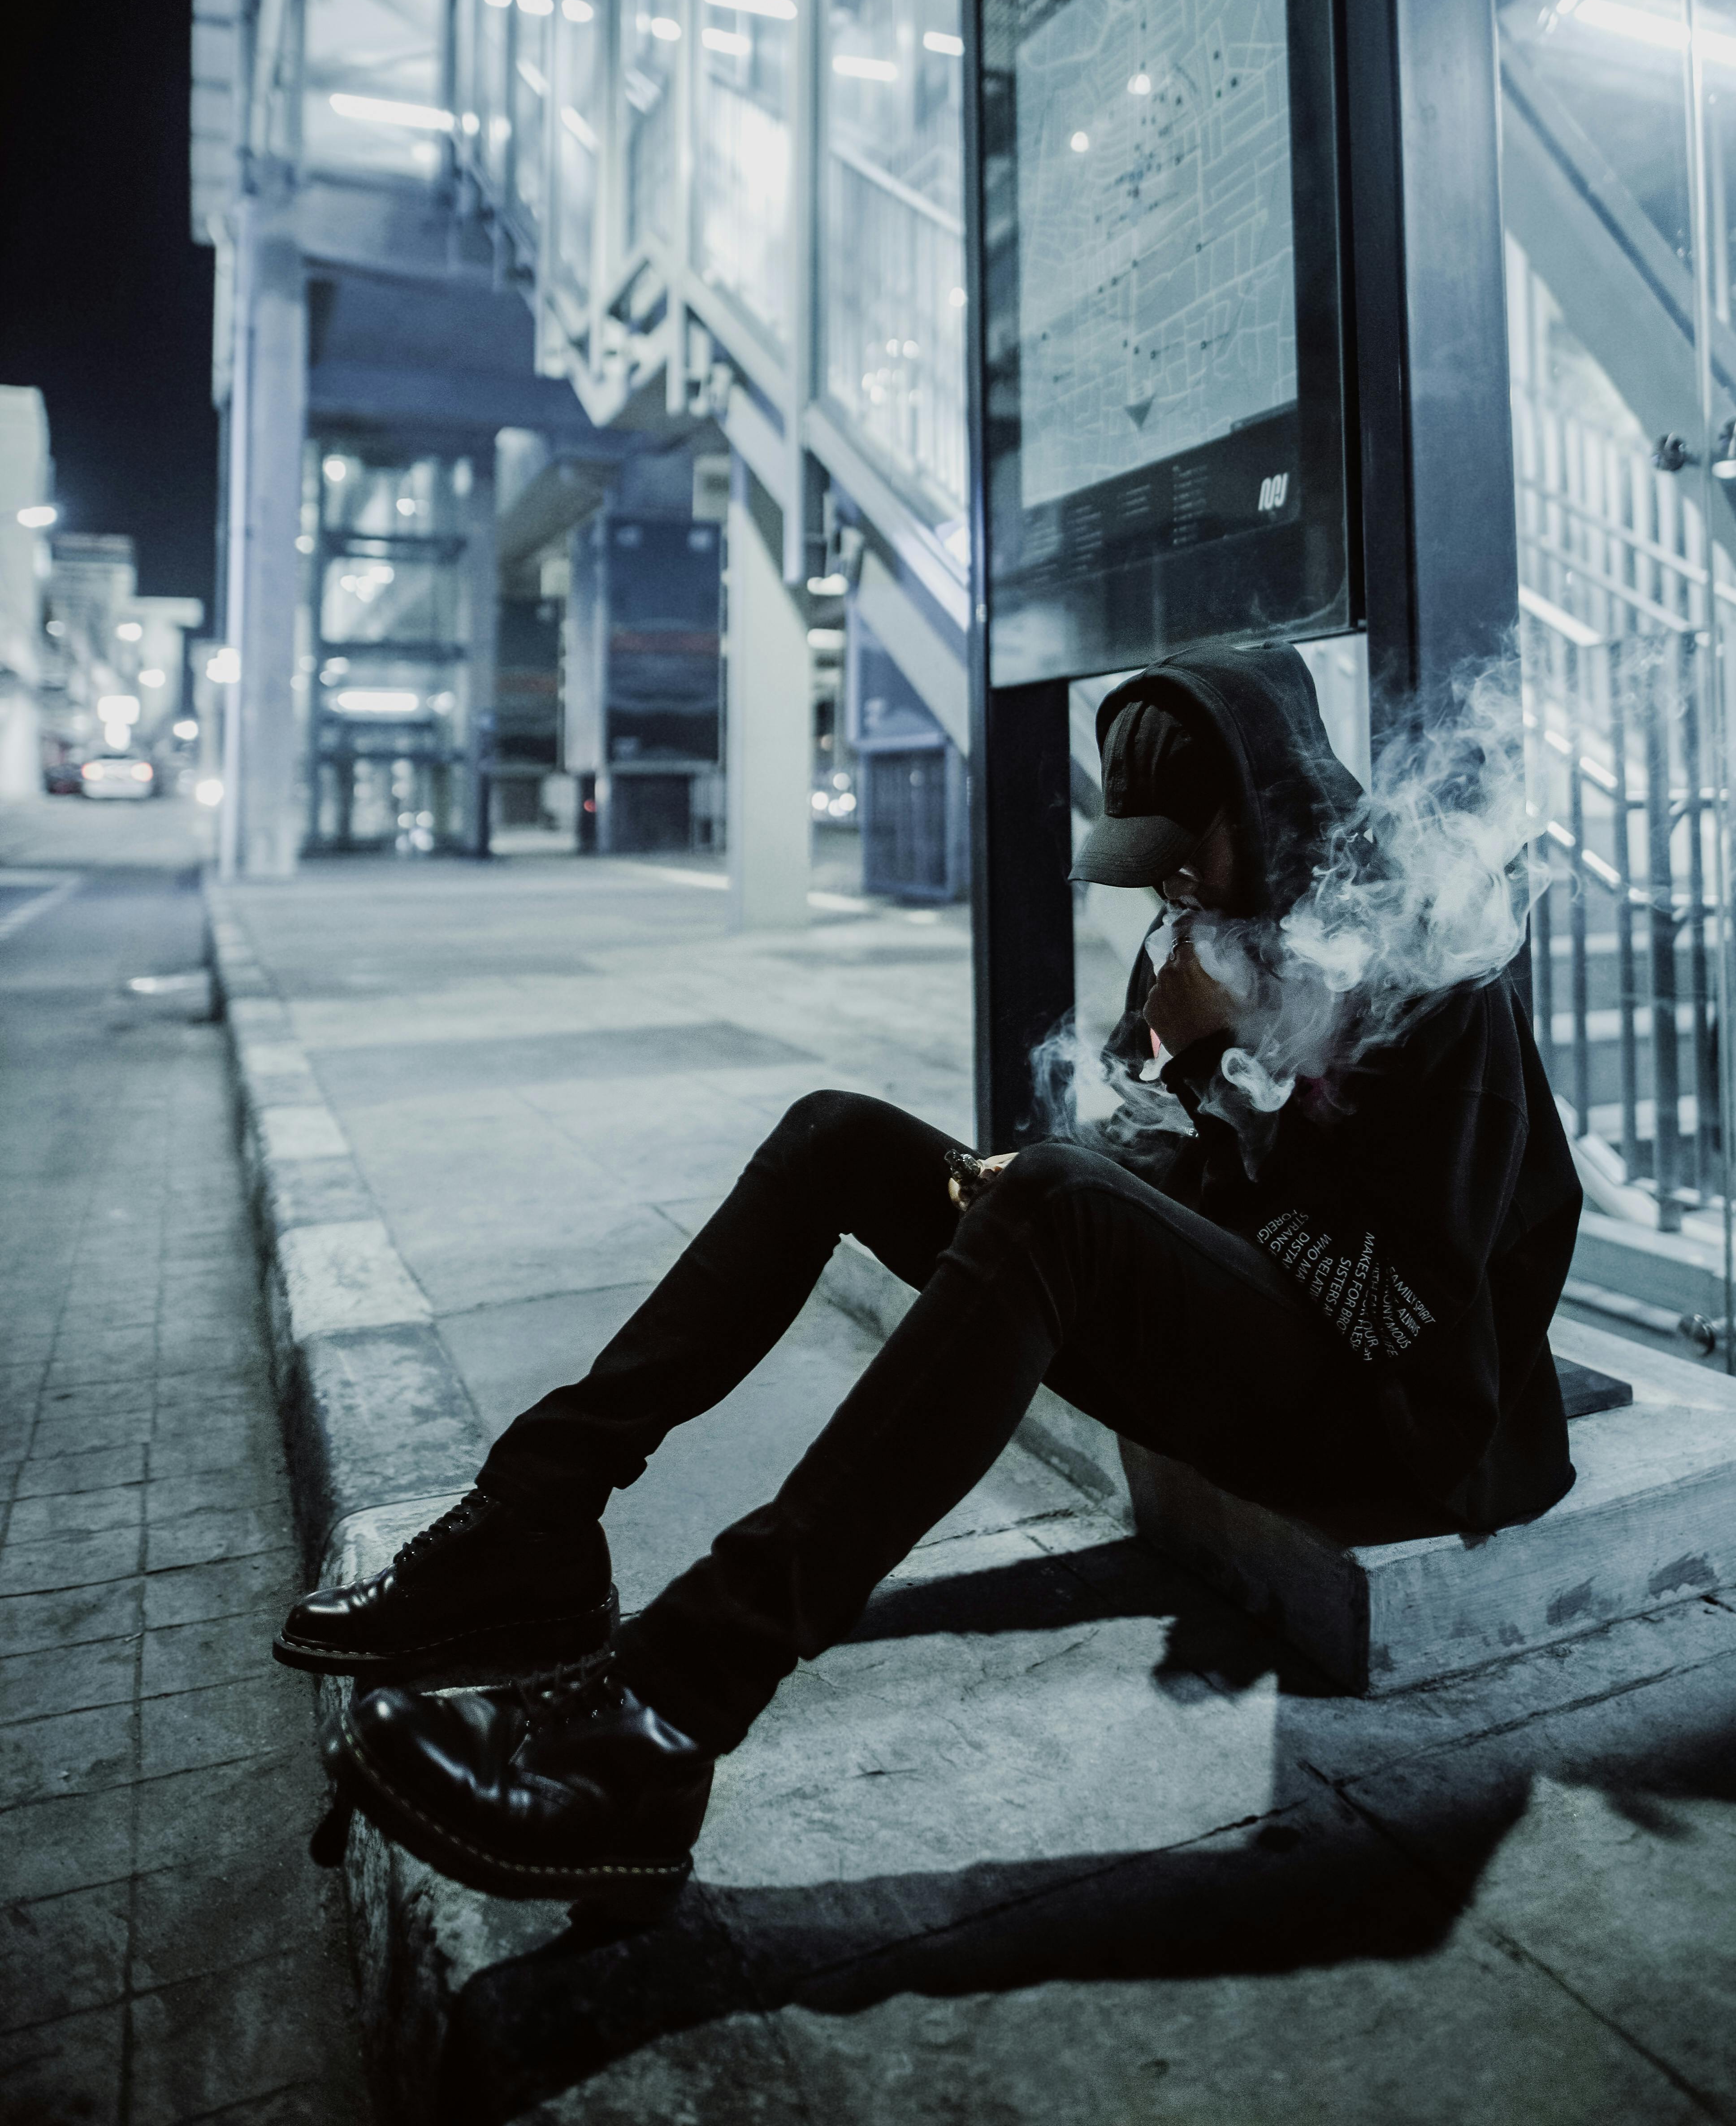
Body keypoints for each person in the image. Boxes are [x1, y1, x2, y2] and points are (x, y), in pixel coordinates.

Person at [277, 646, 1581, 1917]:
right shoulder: (1205, 943)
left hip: (1385, 1418)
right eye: (1150, 862)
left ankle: (665, 1715)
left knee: (1061, 1204)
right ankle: (534, 1521)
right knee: (840, 1135)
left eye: (1189, 850)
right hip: (1255, 1354)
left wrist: (1202, 1086)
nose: (1168, 887)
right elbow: (1186, 1183)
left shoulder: (1433, 977)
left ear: (1273, 803)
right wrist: (1094, 1154)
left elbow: (1393, 1308)